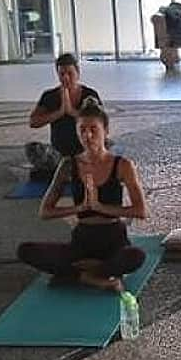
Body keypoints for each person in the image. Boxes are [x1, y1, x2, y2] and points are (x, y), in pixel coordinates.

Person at [17, 98, 149, 292]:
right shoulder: (68, 165)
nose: (87, 136)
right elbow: (45, 211)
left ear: (106, 131)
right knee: (26, 250)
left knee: (135, 256)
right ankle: (94, 276)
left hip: (114, 238)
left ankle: (83, 273)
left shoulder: (122, 165)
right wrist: (79, 208)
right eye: (82, 130)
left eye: (93, 130)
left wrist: (98, 207)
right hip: (82, 240)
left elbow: (141, 211)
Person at [26, 53, 102, 179]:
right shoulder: (49, 96)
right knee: (32, 149)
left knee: (109, 146)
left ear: (78, 72)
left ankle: (68, 172)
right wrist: (59, 113)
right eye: (62, 74)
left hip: (85, 150)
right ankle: (70, 171)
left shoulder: (90, 94)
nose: (66, 78)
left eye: (70, 73)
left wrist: (72, 112)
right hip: (59, 153)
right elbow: (33, 122)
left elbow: (101, 124)